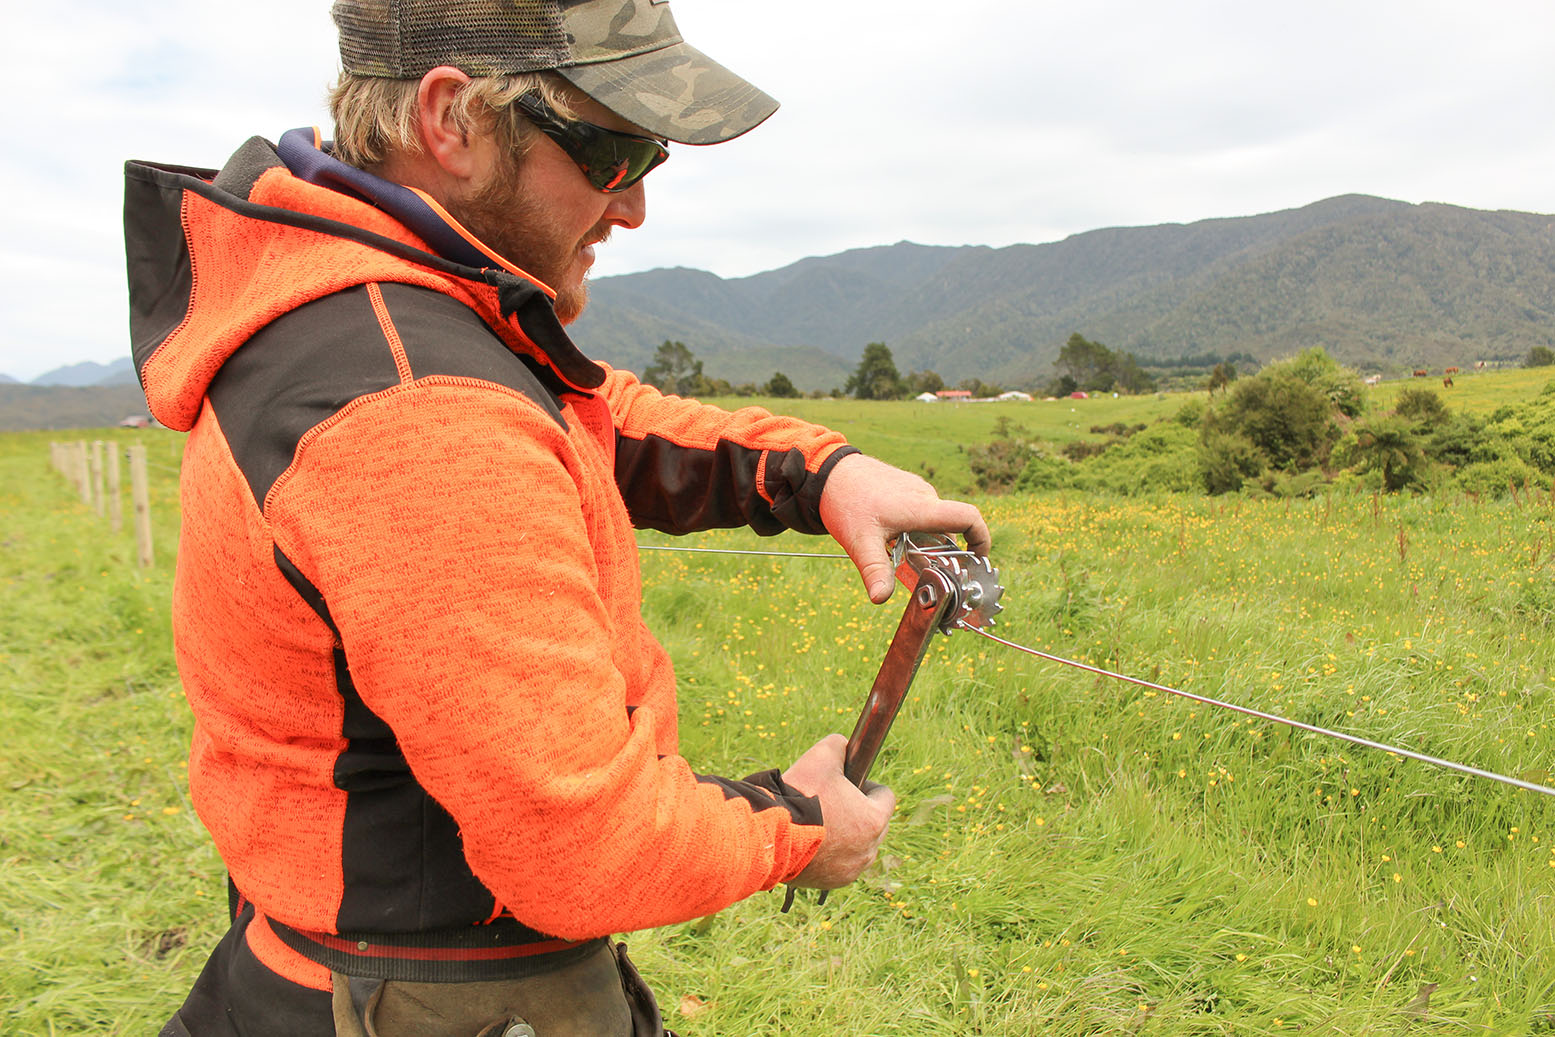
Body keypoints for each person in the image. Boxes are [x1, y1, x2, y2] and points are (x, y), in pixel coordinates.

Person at [124, 1, 989, 1033]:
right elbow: (580, 841)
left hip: (346, 959)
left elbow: (581, 413)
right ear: (450, 120)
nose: (631, 208)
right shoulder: (419, 410)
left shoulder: (374, 306)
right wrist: (802, 825)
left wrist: (819, 472)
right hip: (429, 999)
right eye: (610, 150)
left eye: (650, 159)